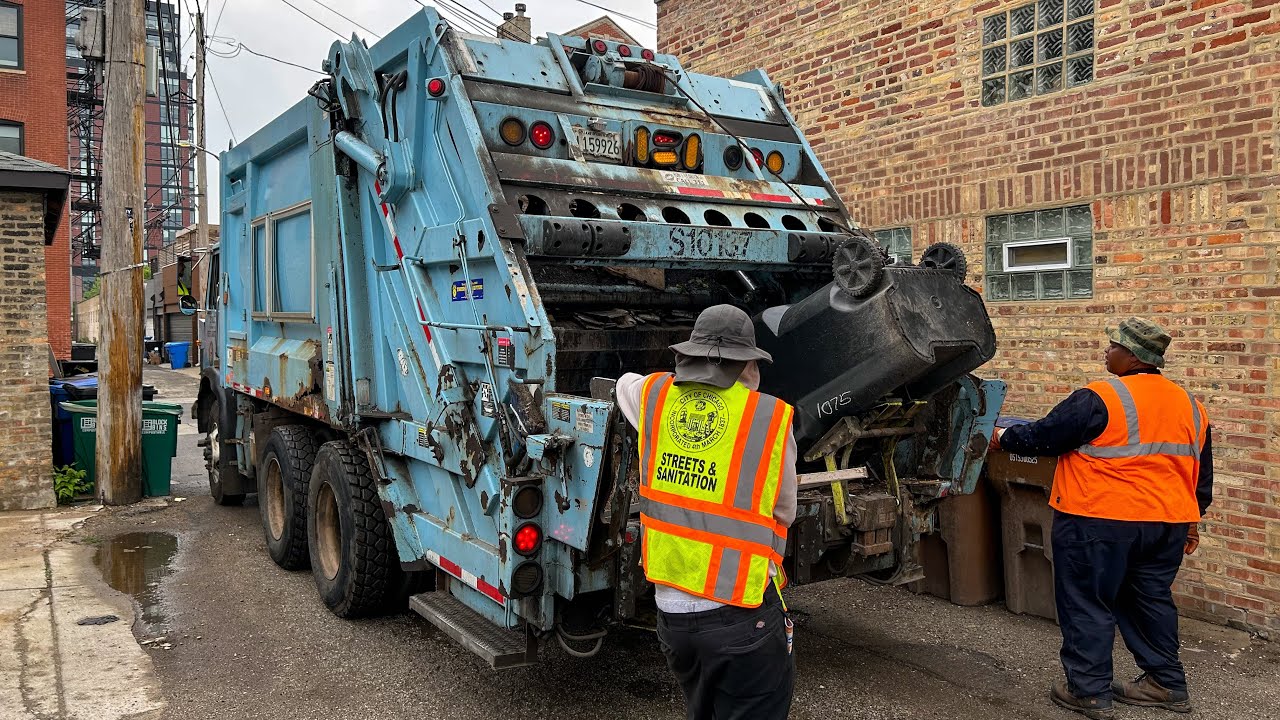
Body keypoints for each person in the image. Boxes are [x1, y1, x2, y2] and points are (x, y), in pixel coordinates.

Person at [991, 317, 1213, 719]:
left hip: (1099, 520)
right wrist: (1191, 523)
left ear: (1131, 356)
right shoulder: (1192, 407)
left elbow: (1046, 436)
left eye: (1112, 346)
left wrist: (1002, 438)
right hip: (1168, 525)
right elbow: (1202, 479)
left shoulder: (1100, 398)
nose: (1105, 352)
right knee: (1150, 600)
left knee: (1086, 602)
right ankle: (1167, 683)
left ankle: (1089, 692)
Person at [614, 304, 797, 720]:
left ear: (689, 353)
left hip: (673, 619)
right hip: (741, 614)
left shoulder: (655, 397)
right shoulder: (768, 419)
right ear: (749, 364)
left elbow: (624, 382)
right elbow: (783, 509)